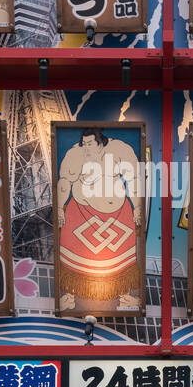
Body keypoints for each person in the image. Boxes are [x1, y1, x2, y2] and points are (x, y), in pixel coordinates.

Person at [56, 128, 143, 312]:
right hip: (81, 210)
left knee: (124, 254)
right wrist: (59, 209)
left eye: (90, 143)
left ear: (100, 142)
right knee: (69, 247)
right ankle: (69, 293)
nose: (86, 148)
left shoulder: (120, 150)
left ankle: (124, 294)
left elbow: (134, 179)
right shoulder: (75, 154)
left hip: (117, 212)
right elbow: (64, 182)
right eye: (84, 144)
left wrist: (137, 207)